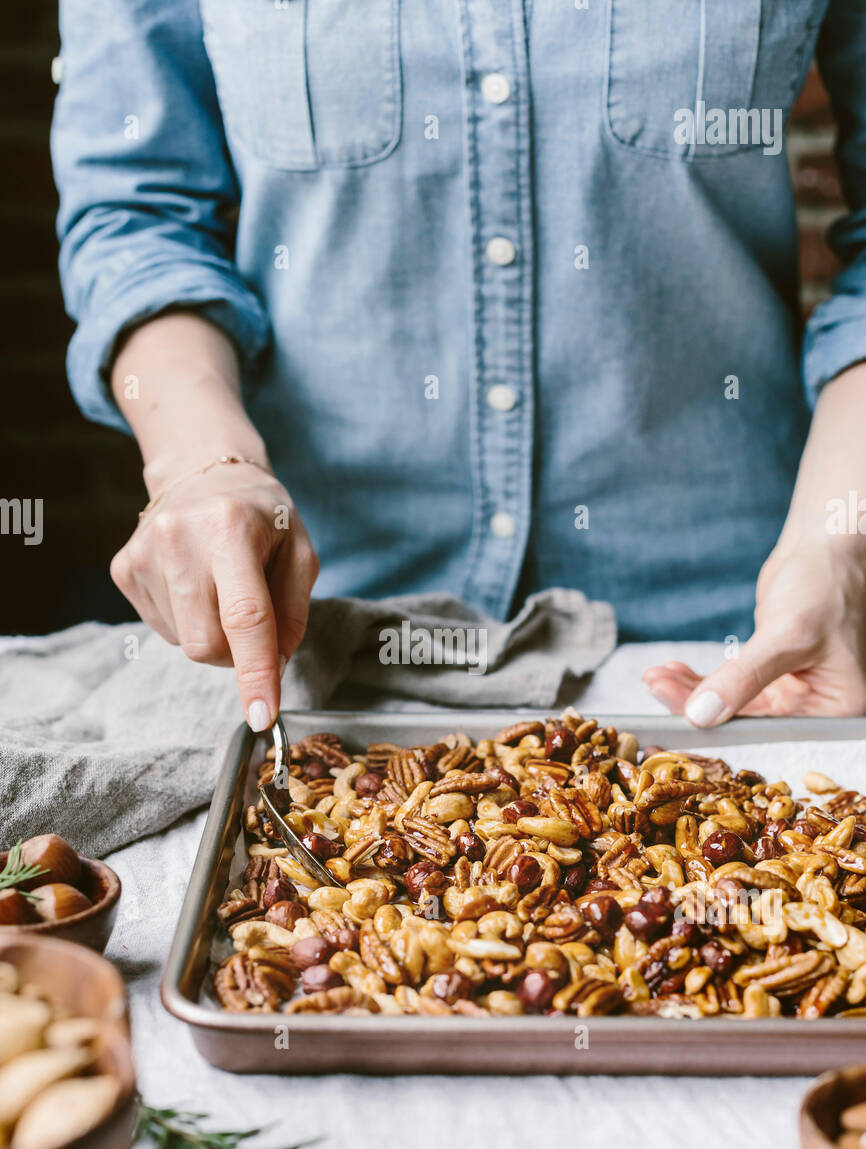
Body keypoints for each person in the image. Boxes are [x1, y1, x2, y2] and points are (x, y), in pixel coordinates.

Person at [52, 2, 866, 731]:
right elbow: (139, 216)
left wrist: (840, 541)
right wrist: (204, 464)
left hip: (735, 639)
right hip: (324, 632)